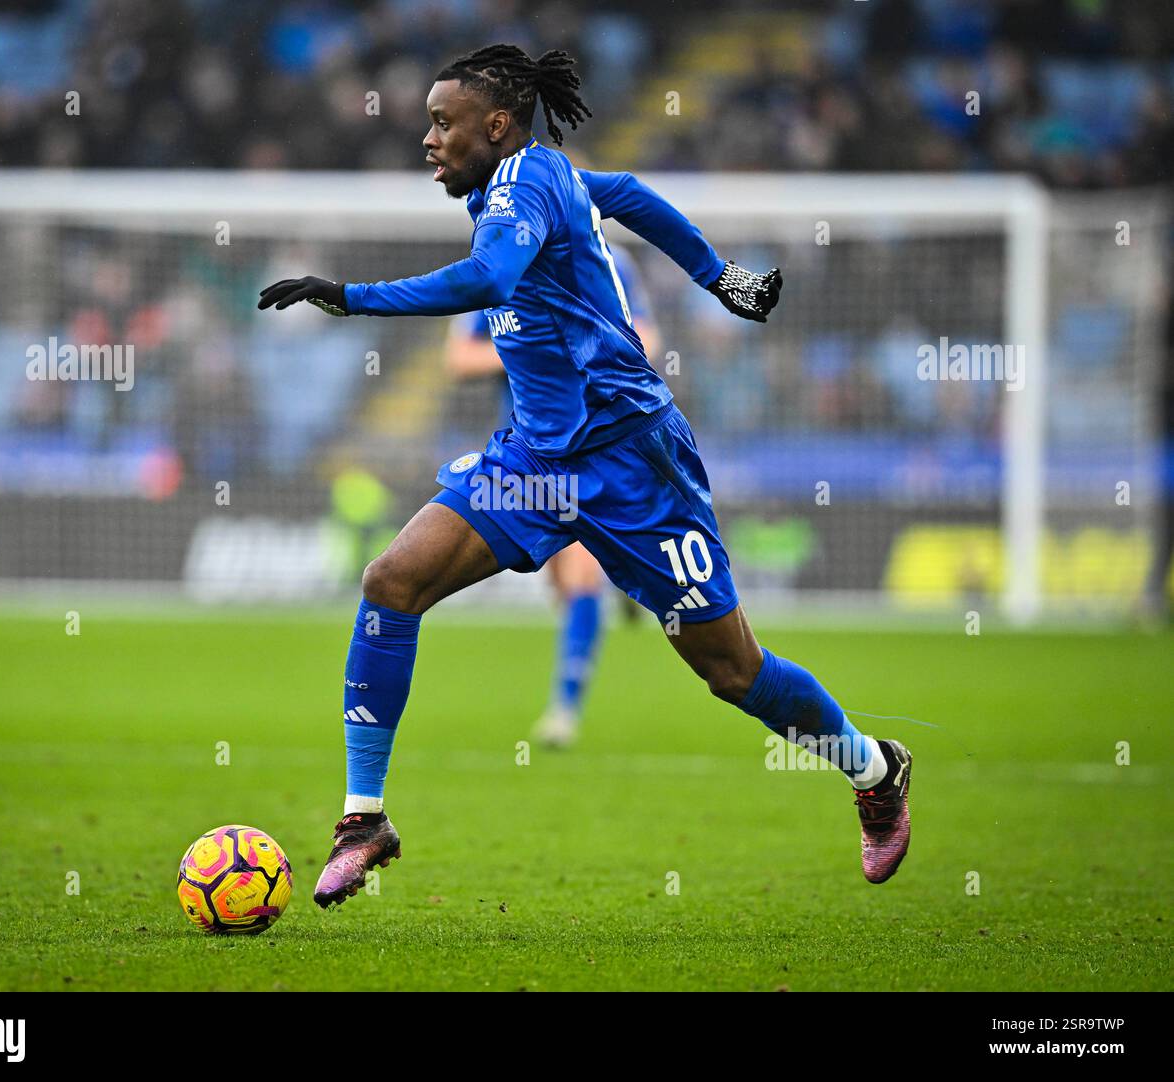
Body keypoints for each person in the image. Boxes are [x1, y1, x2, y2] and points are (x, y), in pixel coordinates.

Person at [257, 44, 912, 908]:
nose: (427, 139)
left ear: (495, 125)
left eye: (442, 122)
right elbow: (631, 194)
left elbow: (490, 276)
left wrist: (349, 296)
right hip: (533, 462)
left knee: (733, 673)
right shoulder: (524, 181)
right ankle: (364, 818)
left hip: (633, 460)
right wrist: (720, 278)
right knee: (392, 581)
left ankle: (873, 768)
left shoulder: (525, 185)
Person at [443, 242, 661, 748]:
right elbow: (458, 358)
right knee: (565, 585)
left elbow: (646, 337)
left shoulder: (609, 260)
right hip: (527, 451)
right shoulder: (496, 266)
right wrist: (534, 345)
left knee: (582, 570)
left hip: (598, 445)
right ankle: (627, 579)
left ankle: (564, 711)